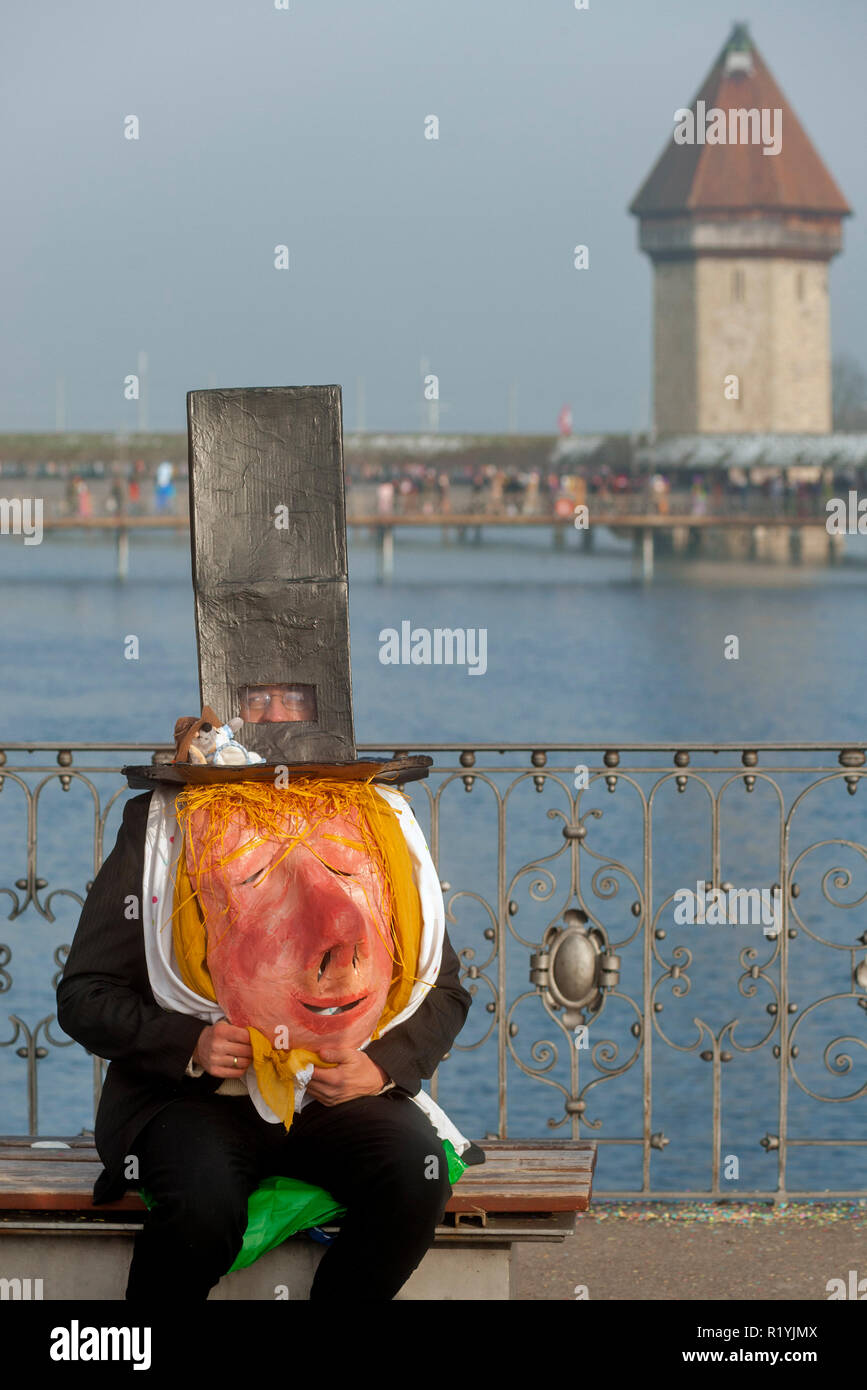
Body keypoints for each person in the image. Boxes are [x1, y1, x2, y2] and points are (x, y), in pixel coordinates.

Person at [56, 783, 472, 1302]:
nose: (276, 711)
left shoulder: (374, 816)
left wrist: (380, 1069)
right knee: (200, 1209)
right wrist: (191, 1045)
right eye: (250, 876)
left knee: (415, 1177)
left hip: (334, 1099)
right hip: (193, 1103)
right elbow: (84, 996)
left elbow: (445, 990)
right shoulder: (164, 822)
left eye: (343, 870)